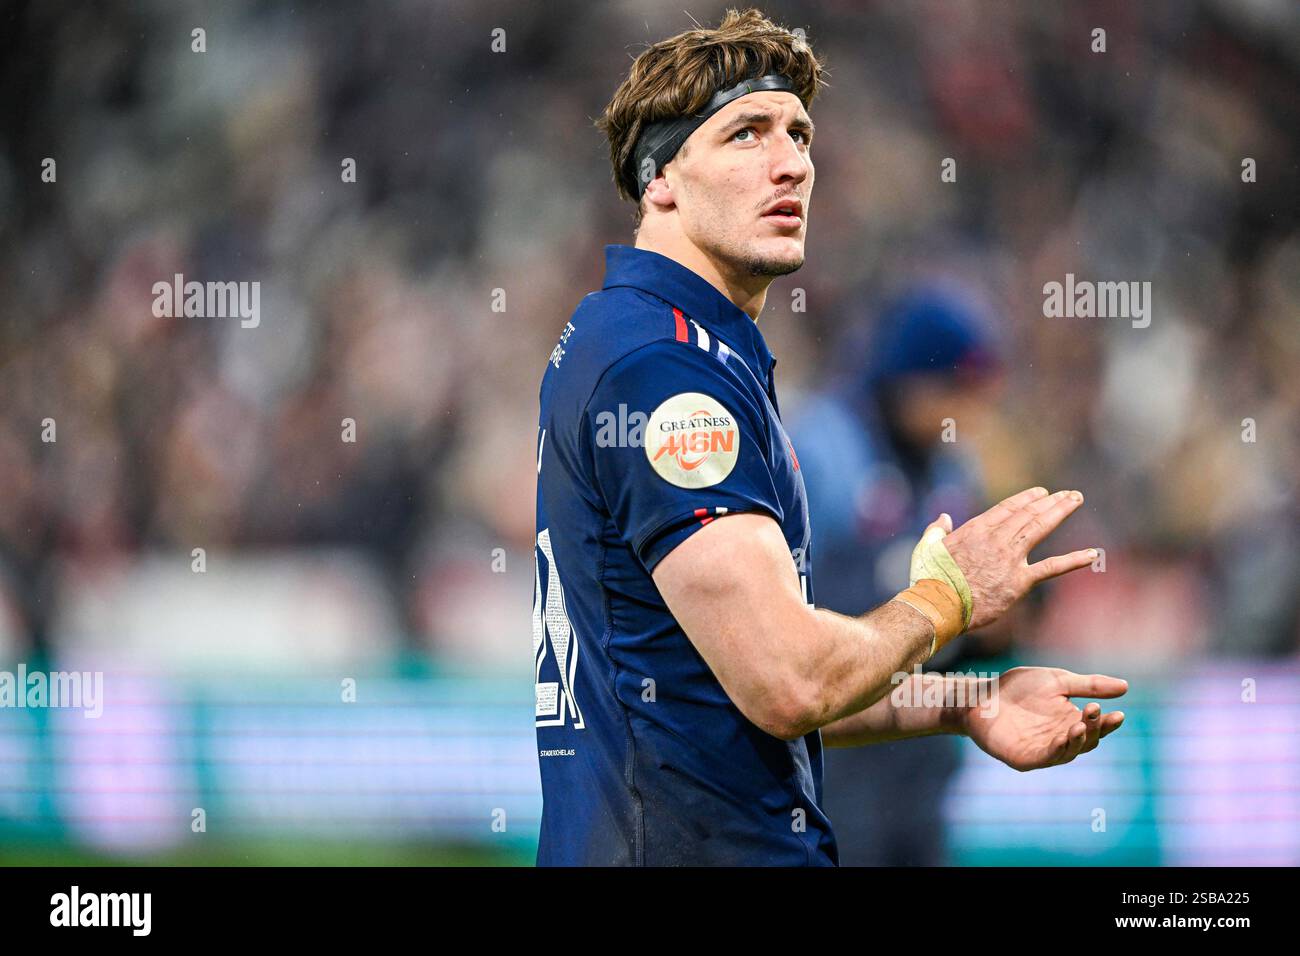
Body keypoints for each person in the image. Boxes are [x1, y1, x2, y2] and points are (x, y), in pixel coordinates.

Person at [531, 8, 1125, 866]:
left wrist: (966, 701)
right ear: (660, 178)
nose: (793, 163)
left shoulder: (658, 343)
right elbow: (789, 681)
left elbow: (756, 688)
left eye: (799, 134)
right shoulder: (663, 372)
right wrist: (948, 598)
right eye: (745, 134)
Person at [788, 281, 1010, 865]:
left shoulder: (954, 465)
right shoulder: (820, 448)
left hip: (922, 742)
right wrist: (927, 597)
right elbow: (795, 604)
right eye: (957, 392)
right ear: (913, 381)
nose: (968, 414)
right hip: (840, 739)